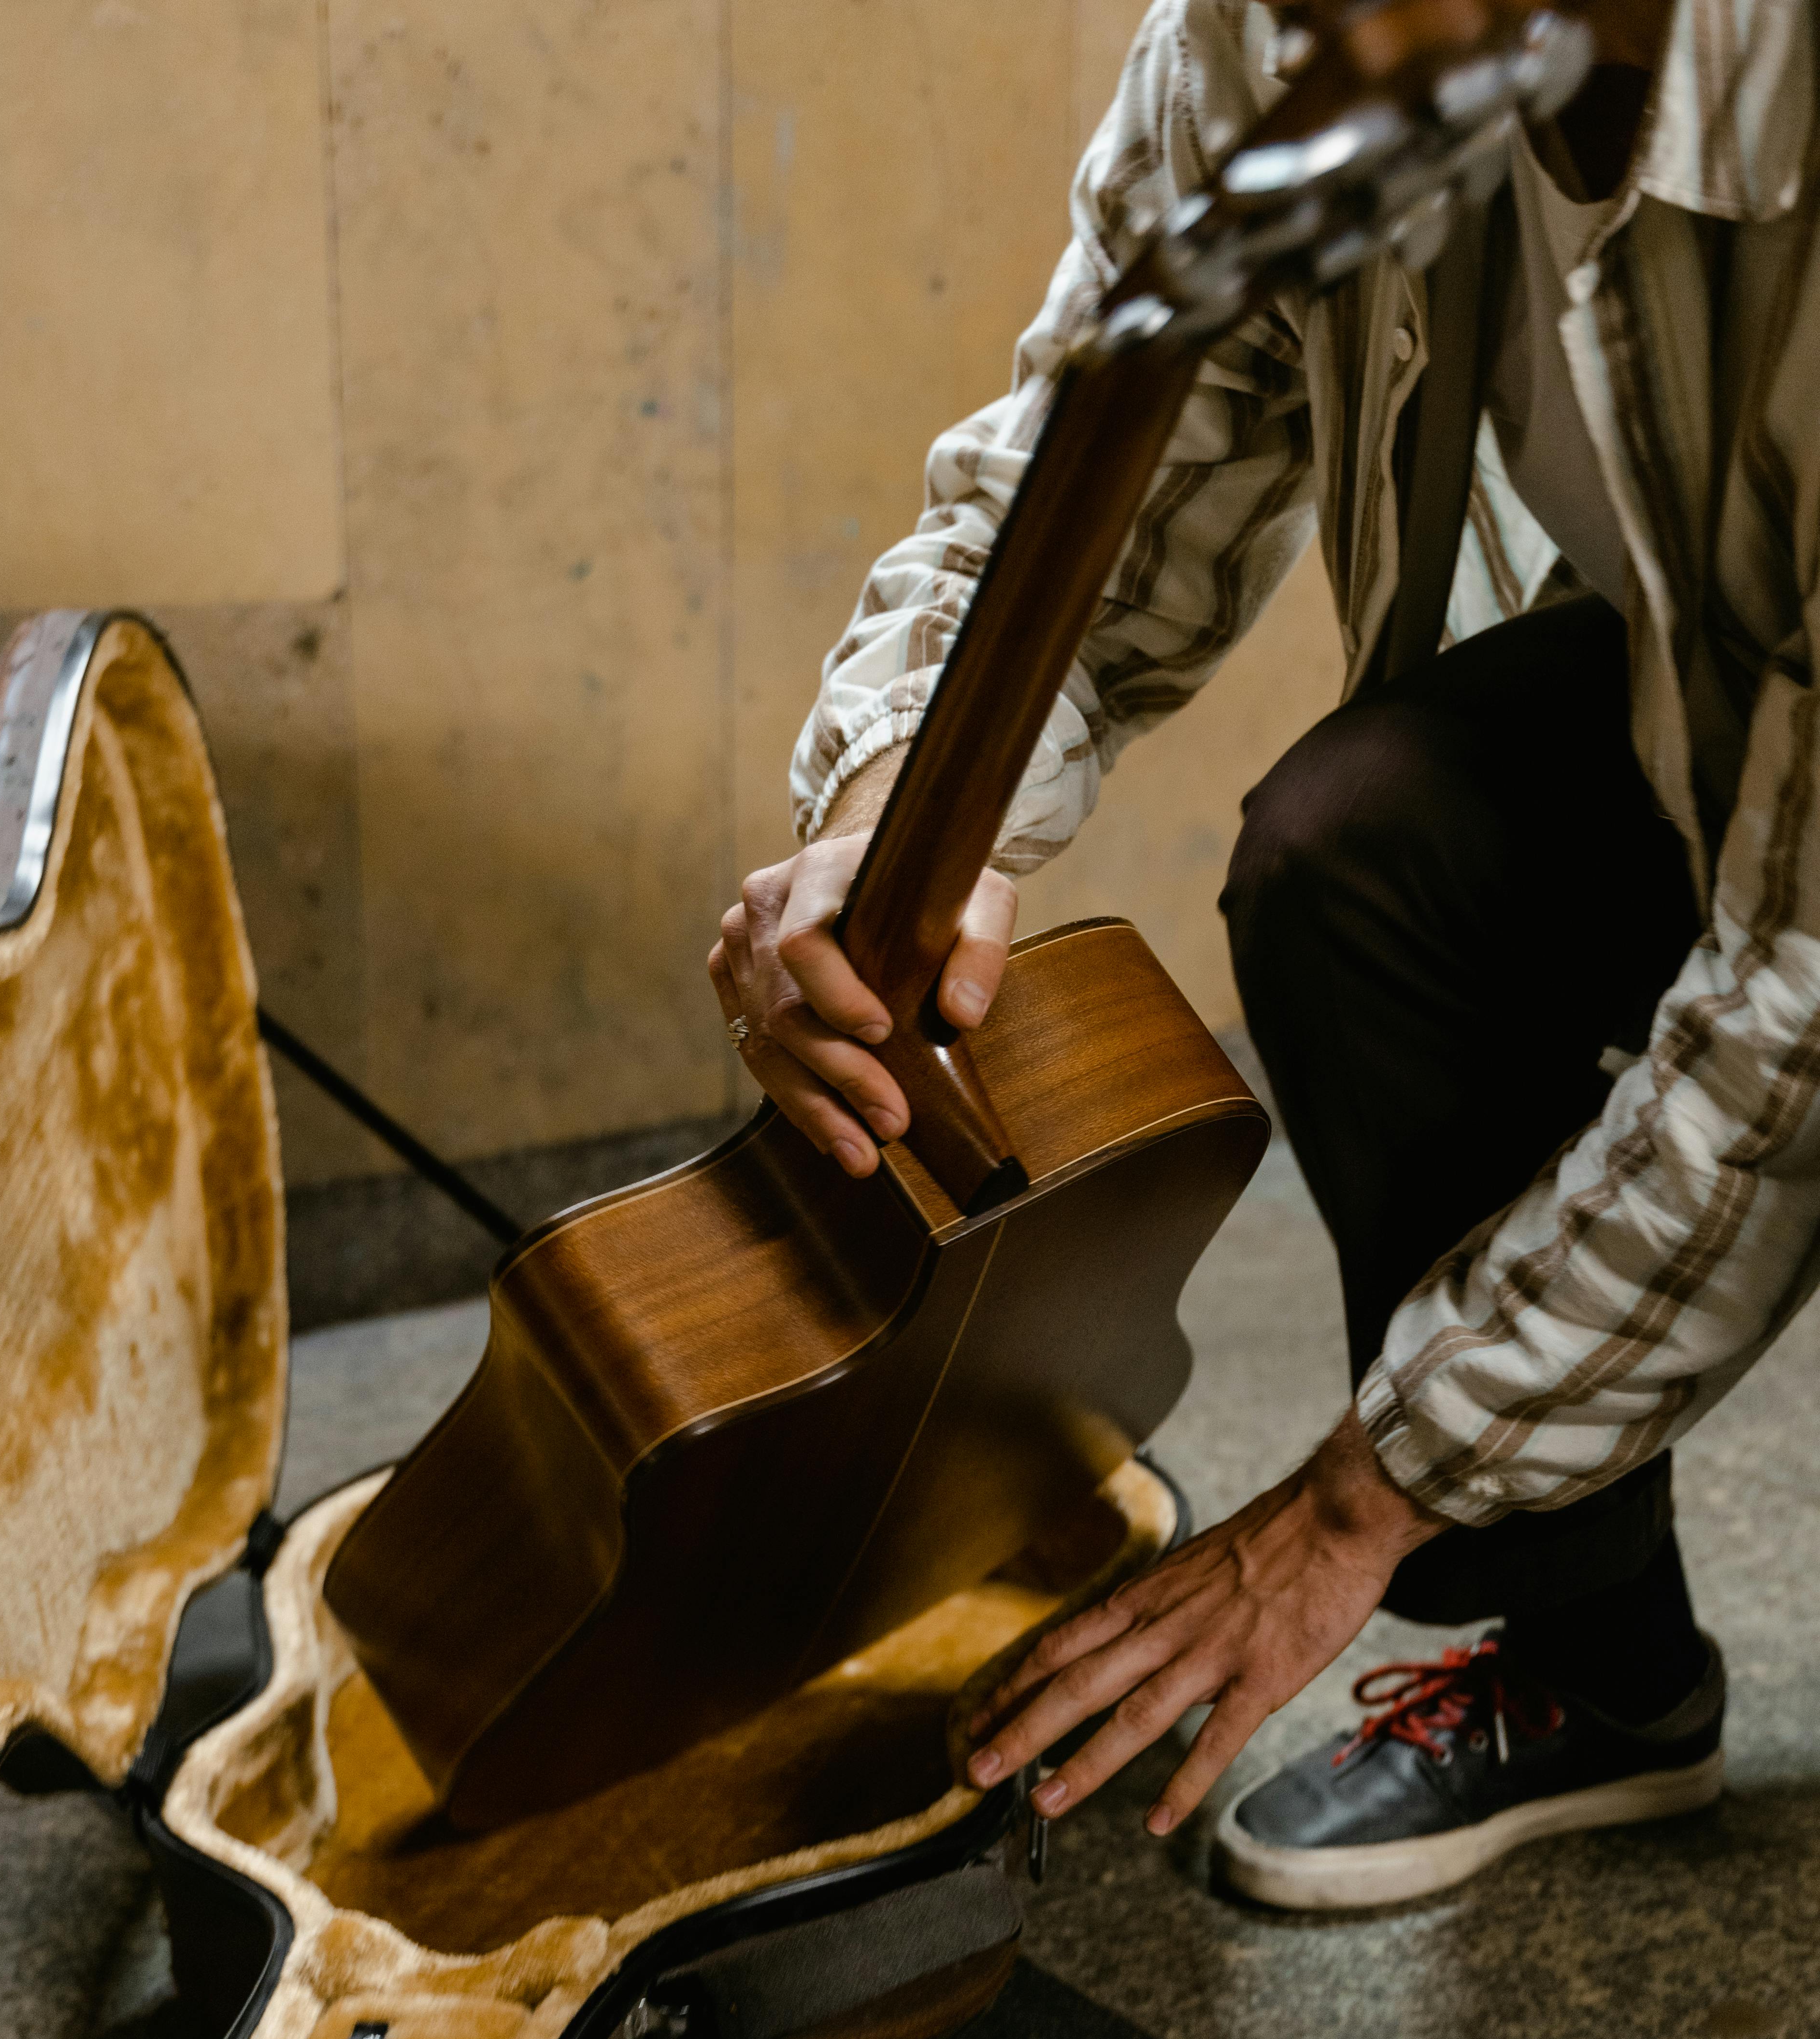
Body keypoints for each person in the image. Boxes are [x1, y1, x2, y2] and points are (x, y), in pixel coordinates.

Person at [707, 0, 1816, 1911]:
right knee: (1359, 850)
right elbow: (1107, 436)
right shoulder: (1289, 24)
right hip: (1731, 706)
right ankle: (1598, 1675)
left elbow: (1800, 1004)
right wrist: (909, 823)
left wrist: (1351, 1507)